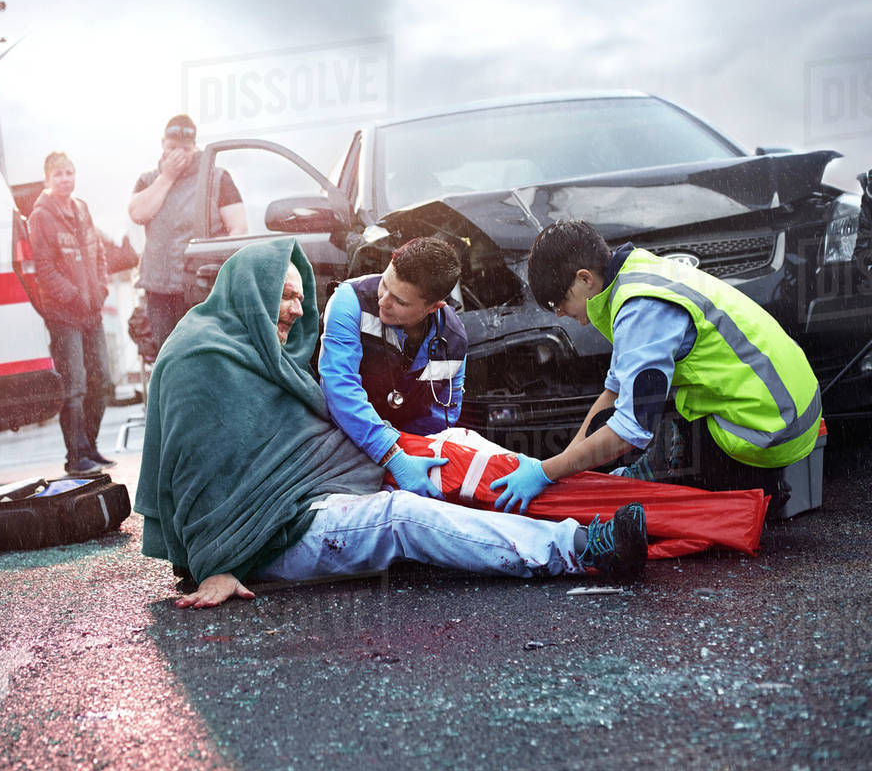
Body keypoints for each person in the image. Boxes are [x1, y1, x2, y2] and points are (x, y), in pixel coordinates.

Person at [134, 237, 647, 609]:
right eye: (283, 295)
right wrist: (217, 563)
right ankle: (578, 548)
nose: (296, 308)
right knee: (402, 517)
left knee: (460, 454)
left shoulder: (265, 353)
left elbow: (431, 415)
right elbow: (191, 472)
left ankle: (595, 492)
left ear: (434, 305)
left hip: (314, 490)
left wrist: (418, 450)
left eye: (297, 295)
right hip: (269, 535)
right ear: (246, 293)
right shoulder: (199, 358)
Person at [490, 218, 821, 514]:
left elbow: (629, 431)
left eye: (557, 302)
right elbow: (613, 393)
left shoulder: (640, 309)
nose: (559, 313)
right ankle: (739, 481)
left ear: (584, 279)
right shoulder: (636, 275)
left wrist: (546, 472)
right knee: (640, 397)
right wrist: (564, 465)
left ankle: (753, 489)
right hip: (786, 406)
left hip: (771, 429)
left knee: (668, 489)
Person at [319, 235, 467, 499]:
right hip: (335, 436)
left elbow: (442, 413)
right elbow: (339, 388)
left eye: (400, 301)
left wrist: (410, 456)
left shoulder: (453, 342)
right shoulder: (348, 301)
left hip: (408, 450)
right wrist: (391, 456)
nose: (383, 301)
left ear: (434, 307)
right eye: (385, 284)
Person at [128, 114, 248, 349]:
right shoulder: (148, 180)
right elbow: (137, 213)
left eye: (184, 149)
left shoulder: (218, 177)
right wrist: (167, 177)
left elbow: (239, 229)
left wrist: (221, 274)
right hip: (159, 292)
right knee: (168, 354)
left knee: (205, 352)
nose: (177, 154)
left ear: (194, 146)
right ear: (163, 143)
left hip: (202, 289)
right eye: (172, 147)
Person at [28, 151, 115, 476]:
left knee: (102, 381)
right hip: (64, 316)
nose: (65, 179)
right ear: (47, 180)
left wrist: (101, 288)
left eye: (69, 172)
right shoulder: (41, 216)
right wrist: (74, 296)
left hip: (92, 312)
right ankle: (76, 456)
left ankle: (90, 447)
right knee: (75, 385)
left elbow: (100, 253)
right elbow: (45, 270)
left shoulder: (82, 208)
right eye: (58, 174)